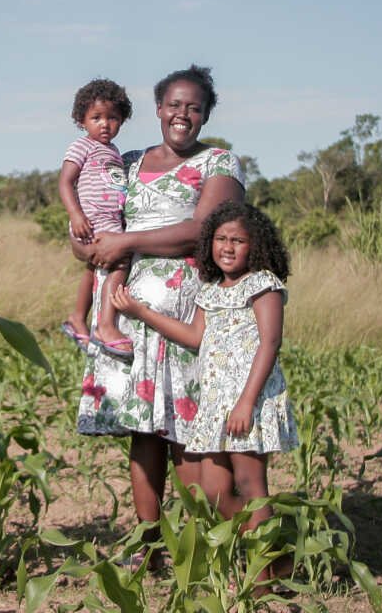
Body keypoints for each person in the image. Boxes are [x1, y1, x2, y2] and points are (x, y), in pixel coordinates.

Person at [72, 64, 245, 567]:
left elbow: (203, 229)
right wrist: (85, 242)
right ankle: (148, 545)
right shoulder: (123, 161)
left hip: (186, 315)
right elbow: (93, 218)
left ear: (206, 114)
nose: (182, 114)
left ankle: (197, 546)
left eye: (194, 107)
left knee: (186, 431)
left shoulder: (219, 163)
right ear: (157, 109)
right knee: (143, 429)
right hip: (125, 313)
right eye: (174, 105)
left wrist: (126, 240)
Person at [111, 199, 298, 589]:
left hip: (250, 400)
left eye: (238, 241)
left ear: (256, 246)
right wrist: (141, 312)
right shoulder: (210, 290)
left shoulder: (263, 286)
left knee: (251, 487)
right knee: (211, 492)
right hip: (215, 401)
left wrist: (247, 401)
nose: (227, 248)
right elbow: (195, 337)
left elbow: (270, 343)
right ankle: (278, 554)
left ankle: (261, 583)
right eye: (220, 239)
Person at [59, 78, 136, 358]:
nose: (105, 124)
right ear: (82, 120)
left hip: (110, 222)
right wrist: (75, 215)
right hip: (91, 220)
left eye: (113, 118)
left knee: (93, 268)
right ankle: (105, 324)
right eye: (96, 118)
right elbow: (66, 182)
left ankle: (78, 317)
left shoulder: (114, 153)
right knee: (121, 261)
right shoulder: (82, 146)